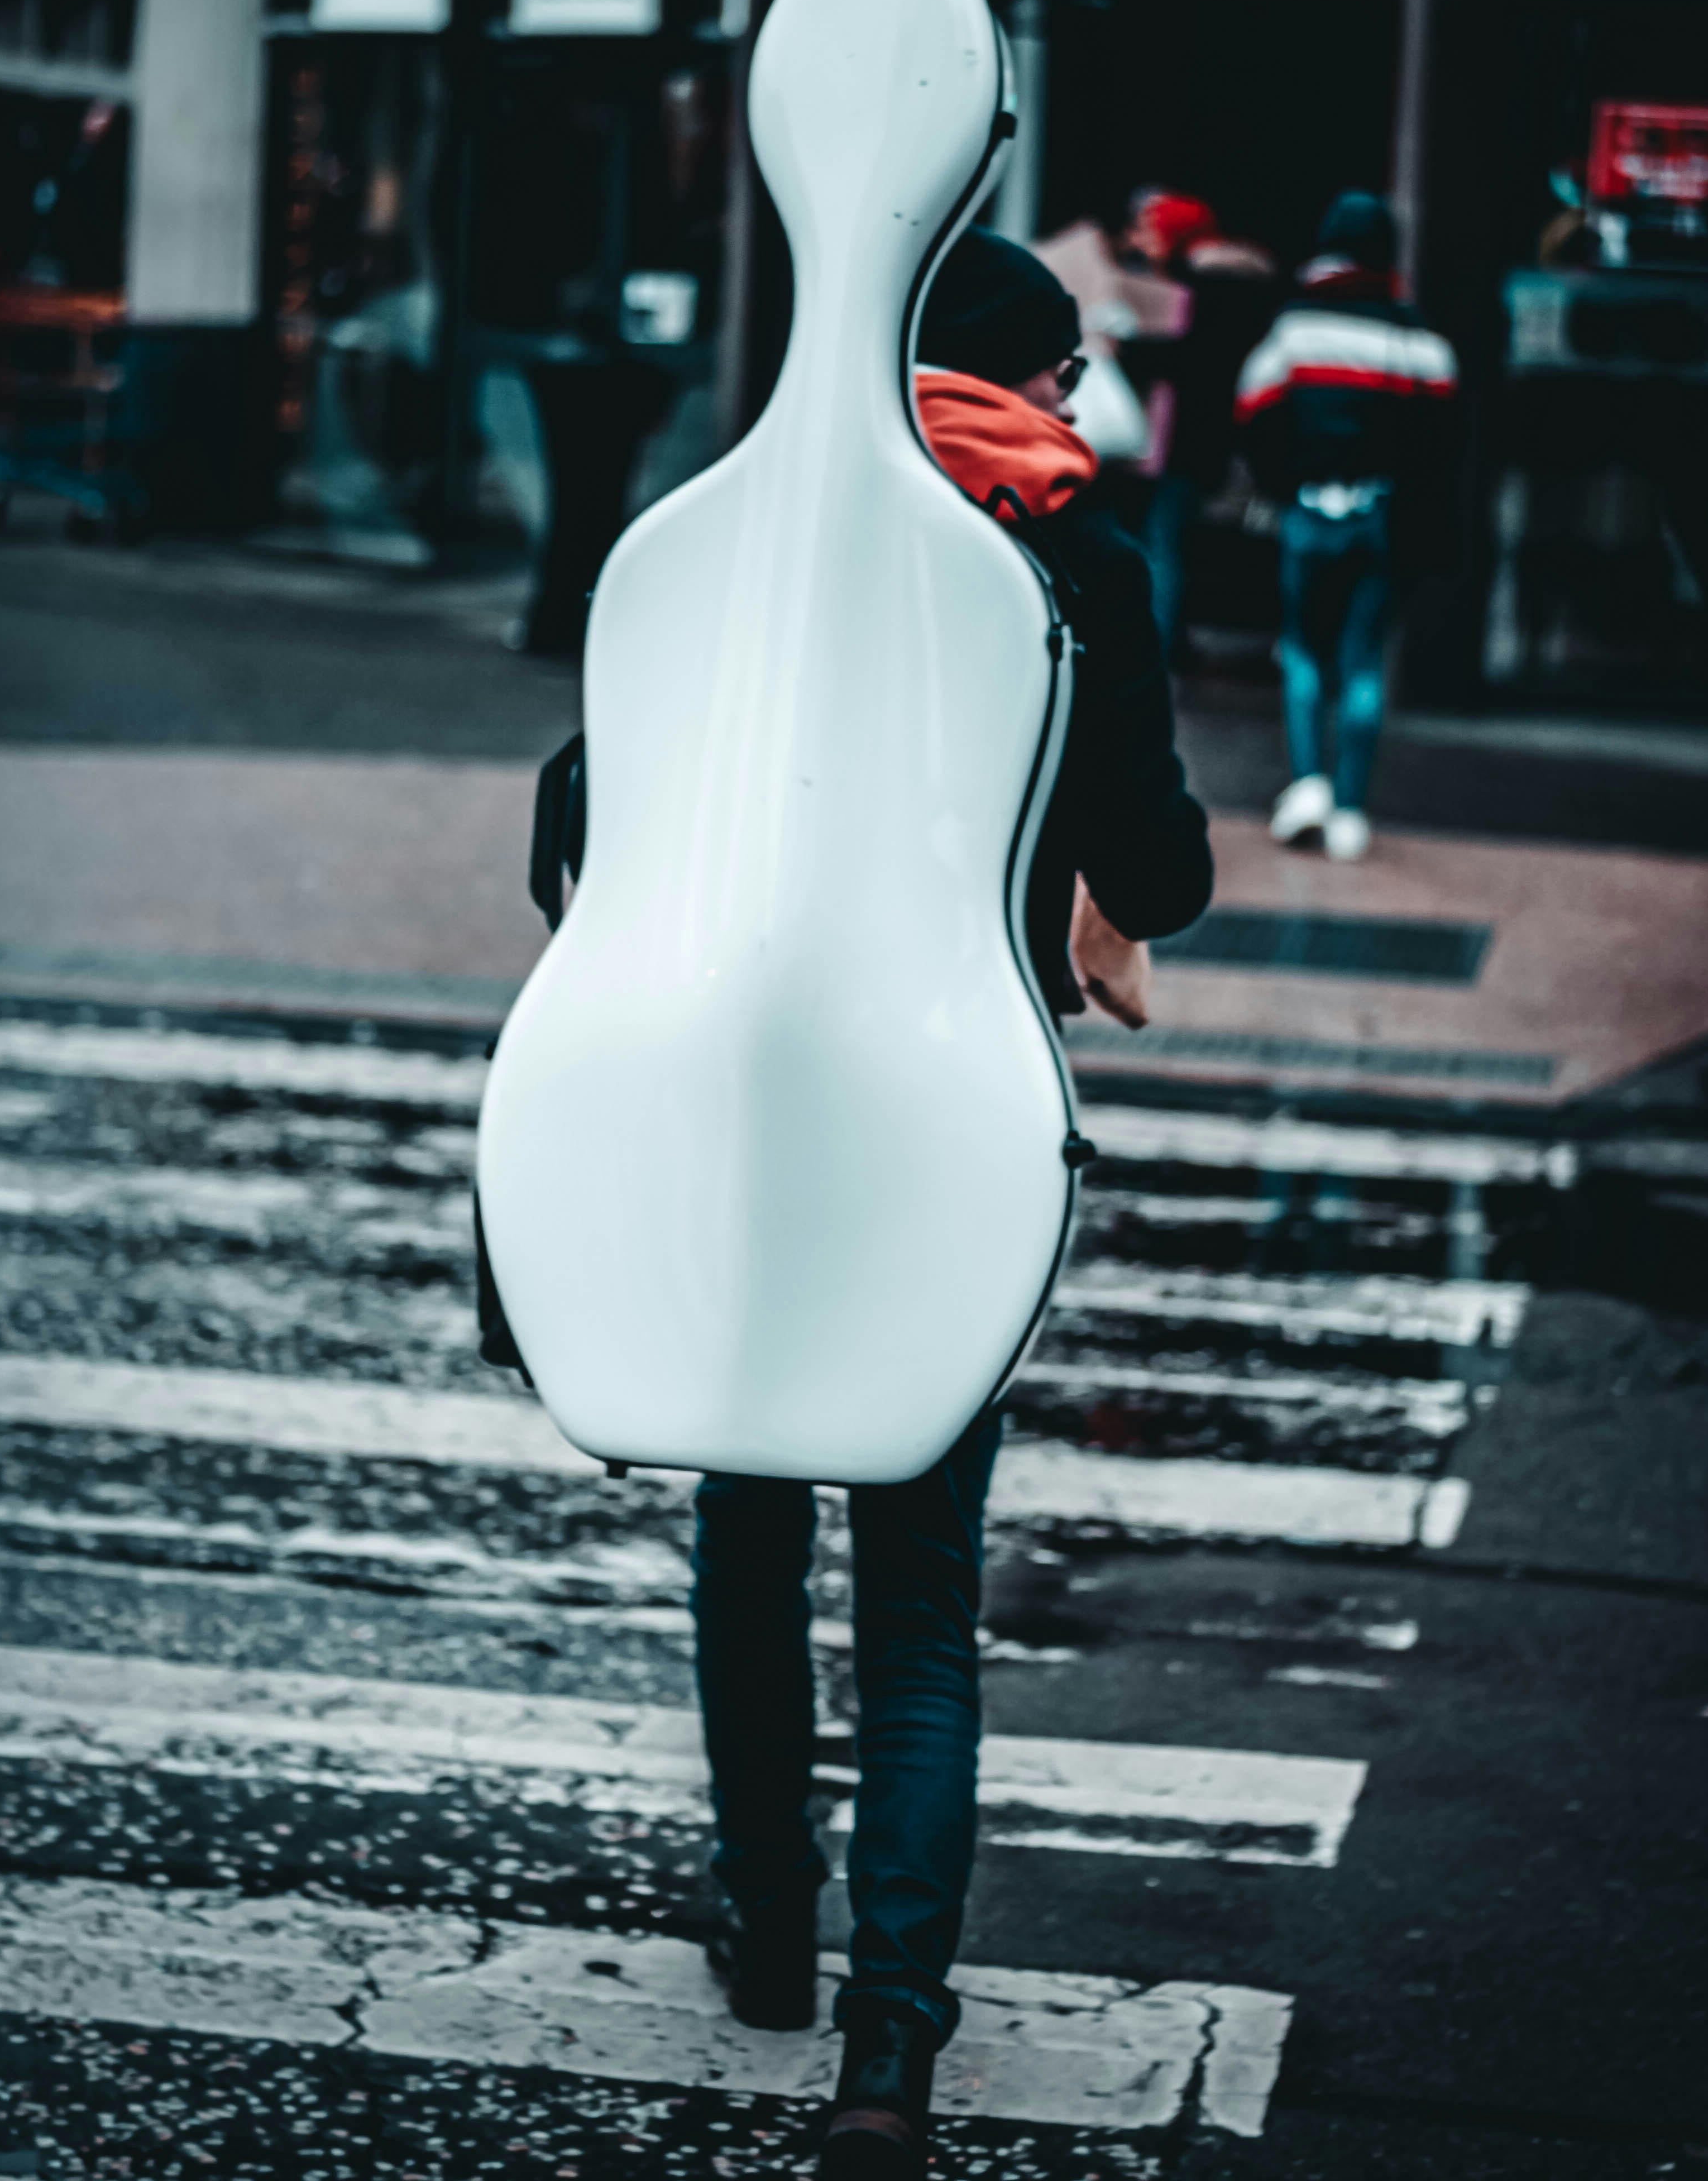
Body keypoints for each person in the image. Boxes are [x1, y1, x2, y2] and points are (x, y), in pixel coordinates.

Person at [693, 226, 1213, 2178]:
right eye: (1060, 371)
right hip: (956, 1125)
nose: (1075, 405)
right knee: (918, 1602)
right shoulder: (1078, 567)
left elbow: (583, 809)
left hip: (753, 1111)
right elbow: (1153, 880)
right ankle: (885, 2043)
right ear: (1012, 375)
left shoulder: (755, 539)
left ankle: (761, 1913)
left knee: (745, 1529)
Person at [1232, 191, 1458, 862]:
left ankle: (1308, 784)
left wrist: (1281, 481)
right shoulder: (1417, 339)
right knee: (1363, 661)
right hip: (1381, 518)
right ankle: (1352, 812)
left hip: (1308, 511)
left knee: (1303, 648)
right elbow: (1444, 443)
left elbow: (1251, 411)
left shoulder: (1294, 331)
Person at [1114, 192, 1279, 667]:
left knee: (1161, 547)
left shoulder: (1205, 288)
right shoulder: (1232, 285)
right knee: (1170, 544)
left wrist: (1133, 346)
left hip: (1181, 442)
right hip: (1200, 441)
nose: (1139, 240)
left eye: (1149, 229)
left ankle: (1153, 653)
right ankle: (1168, 643)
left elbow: (1197, 364)